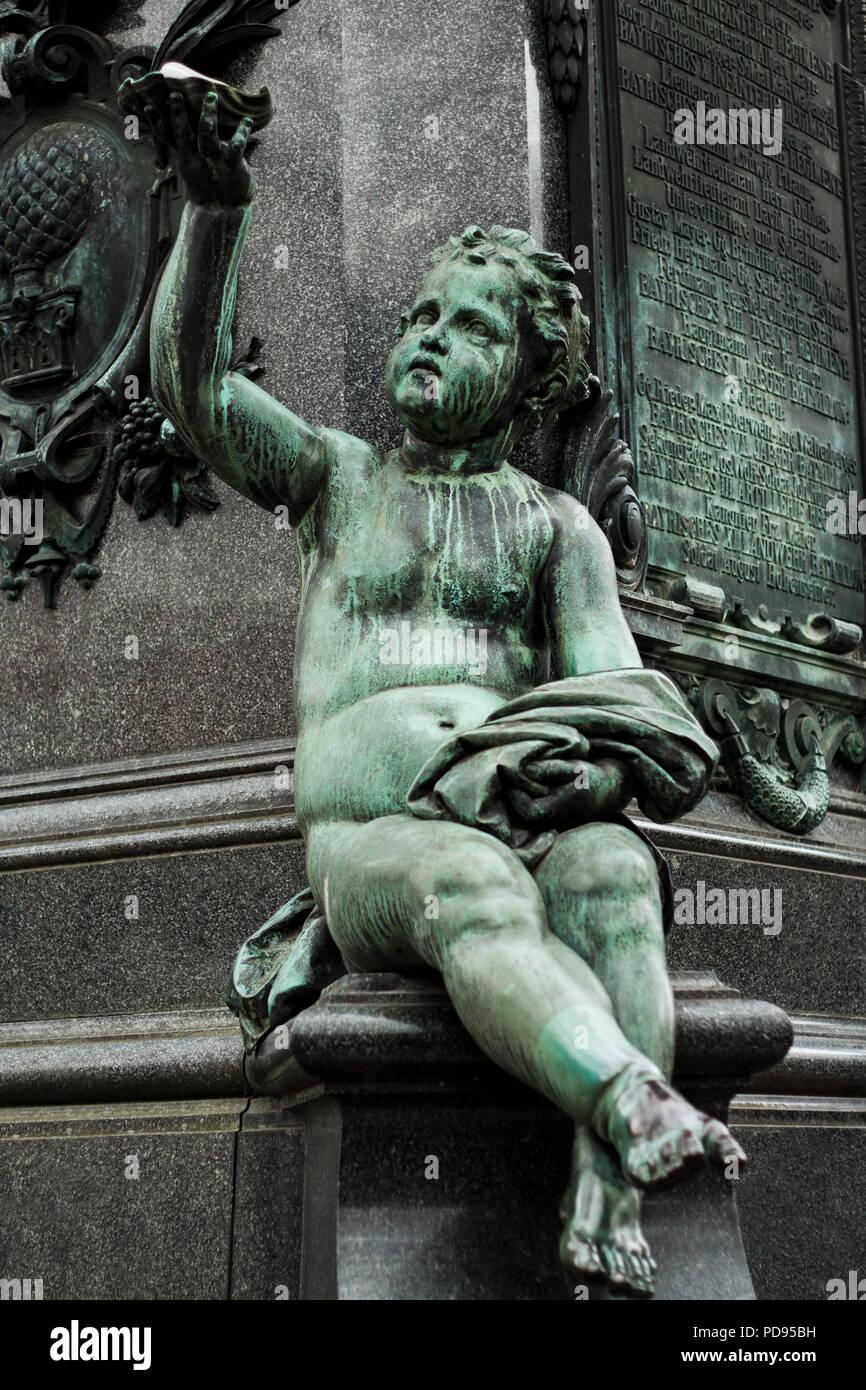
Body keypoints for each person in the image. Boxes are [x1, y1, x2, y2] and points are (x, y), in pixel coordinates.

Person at [148, 87, 744, 1297]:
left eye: (470, 328)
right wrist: (216, 206)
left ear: (529, 376)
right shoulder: (336, 480)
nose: (427, 335)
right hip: (377, 847)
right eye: (418, 315)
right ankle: (629, 1095)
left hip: (526, 815)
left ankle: (606, 1177)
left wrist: (597, 770)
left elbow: (618, 694)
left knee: (615, 872)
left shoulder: (555, 525)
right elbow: (194, 387)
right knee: (461, 878)